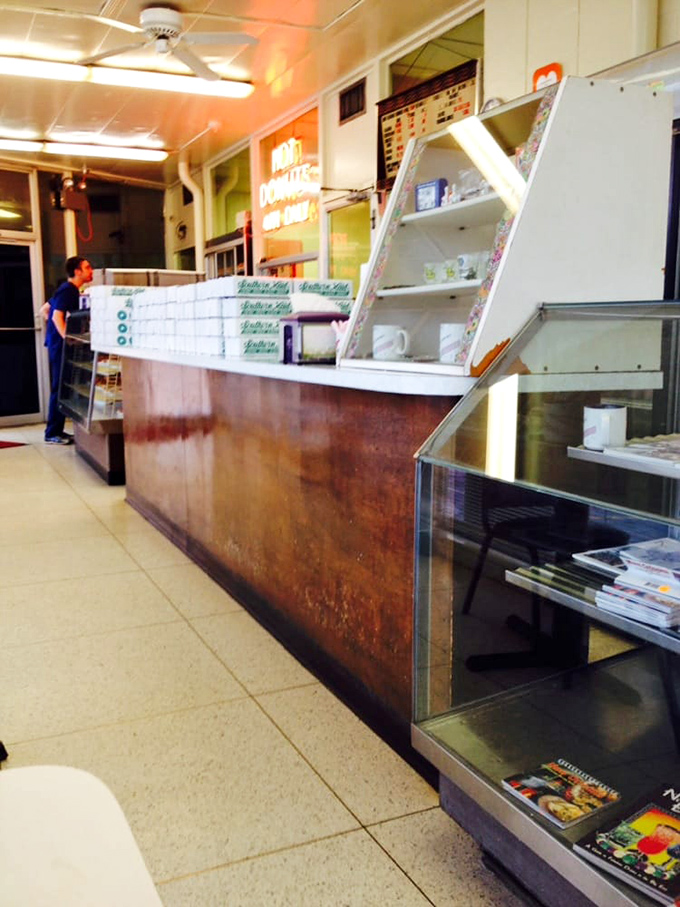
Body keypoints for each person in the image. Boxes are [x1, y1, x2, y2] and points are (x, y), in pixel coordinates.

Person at [44, 256, 94, 444]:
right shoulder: (68, 290)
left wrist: (54, 333)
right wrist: (68, 338)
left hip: (56, 344)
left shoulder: (65, 289)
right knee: (59, 388)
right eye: (87, 267)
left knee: (61, 387)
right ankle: (52, 433)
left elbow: (44, 310)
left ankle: (57, 430)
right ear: (77, 271)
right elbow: (56, 316)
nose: (91, 271)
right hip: (61, 347)